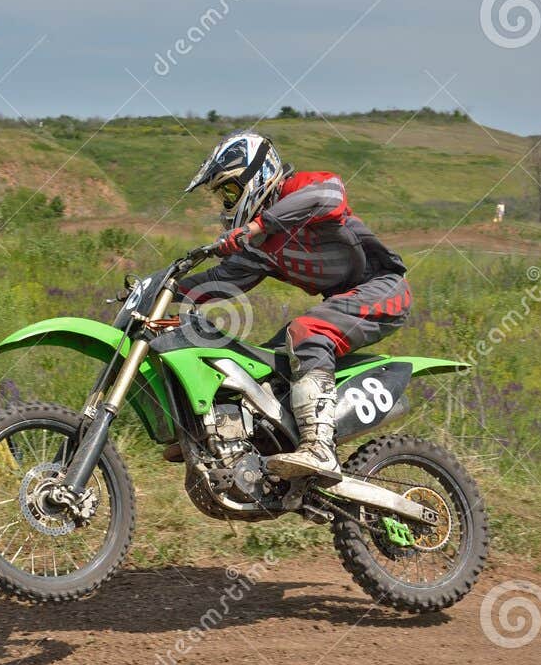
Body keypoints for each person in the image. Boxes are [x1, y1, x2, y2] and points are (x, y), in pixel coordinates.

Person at [176, 130, 411, 482]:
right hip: (341, 302)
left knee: (307, 331)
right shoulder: (259, 248)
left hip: (381, 288)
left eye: (229, 192)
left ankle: (320, 448)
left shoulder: (299, 191)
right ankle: (261, 448)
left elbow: (330, 195)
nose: (226, 203)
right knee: (262, 363)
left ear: (254, 176)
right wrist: (163, 290)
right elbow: (219, 282)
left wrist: (256, 226)